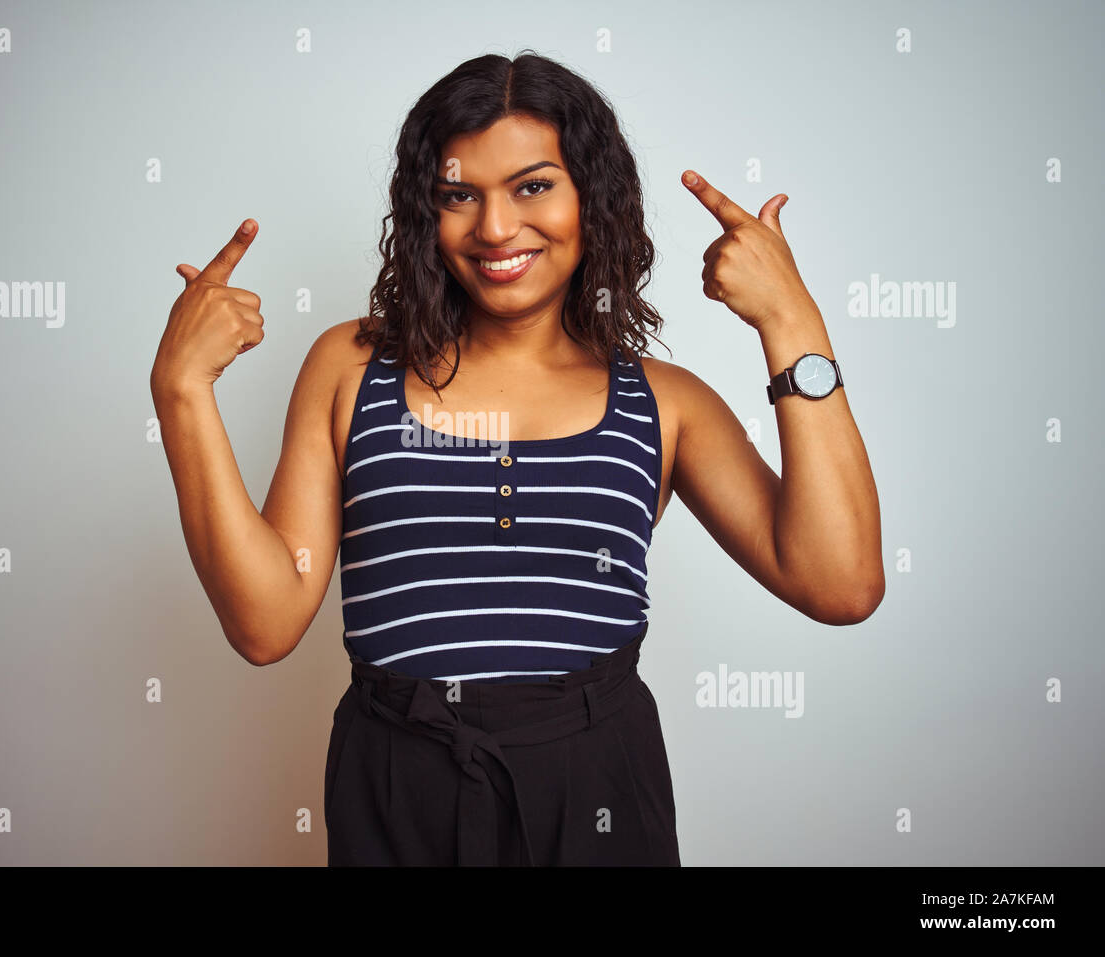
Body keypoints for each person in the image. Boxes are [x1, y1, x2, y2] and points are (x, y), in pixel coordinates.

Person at [149, 51, 885, 866]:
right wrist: (182, 390)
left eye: (533, 186)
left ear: (591, 199)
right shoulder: (350, 368)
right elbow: (264, 623)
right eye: (459, 194)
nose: (495, 228)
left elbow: (842, 582)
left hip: (599, 785)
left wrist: (793, 322)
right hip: (398, 787)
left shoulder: (664, 401)